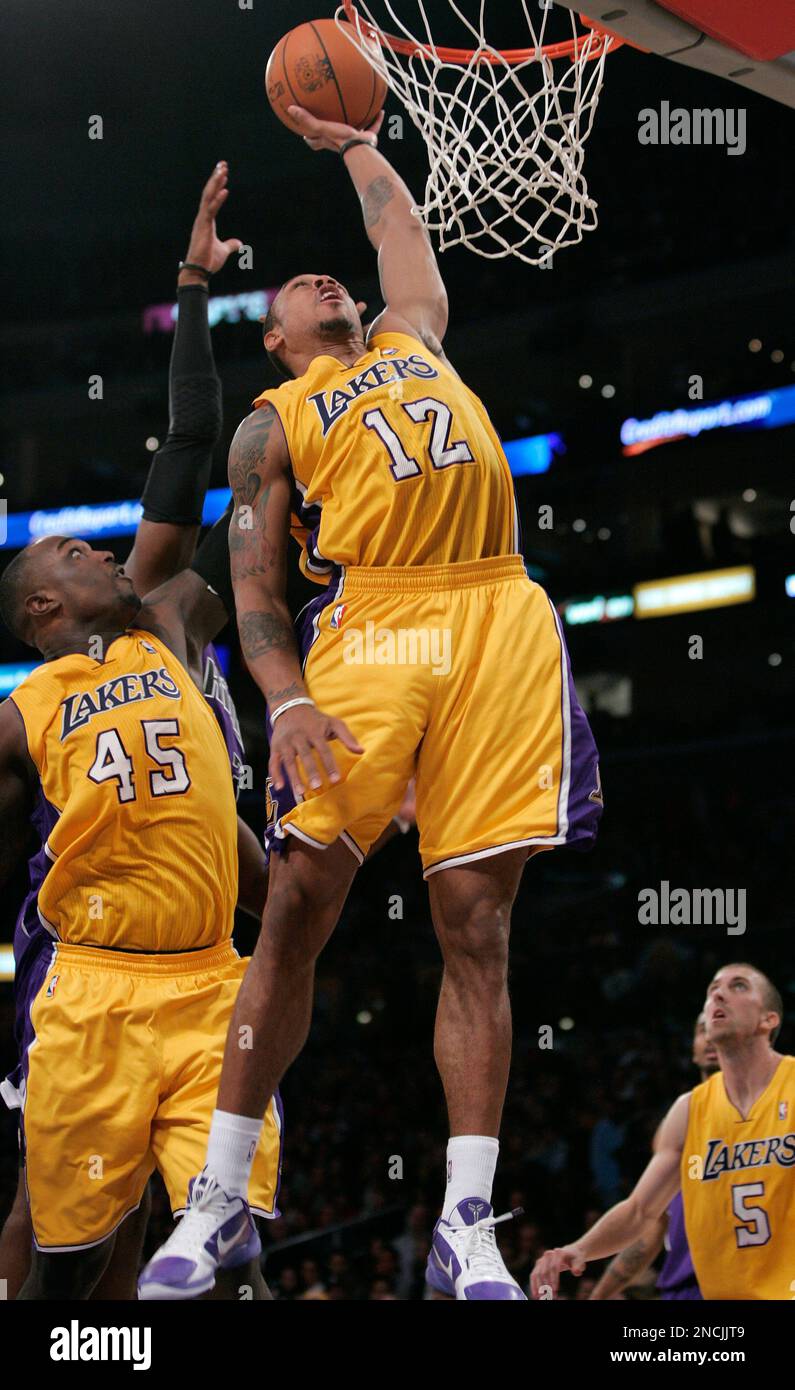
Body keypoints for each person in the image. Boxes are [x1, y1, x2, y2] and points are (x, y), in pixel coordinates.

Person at [140, 102, 602, 1302]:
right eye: (295, 286)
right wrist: (286, 703)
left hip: (499, 614)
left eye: (327, 276)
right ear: (276, 337)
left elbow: (399, 222)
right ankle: (221, 1198)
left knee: (478, 926)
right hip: (372, 626)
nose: (317, 278)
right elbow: (250, 591)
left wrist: (349, 139)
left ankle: (466, 1220)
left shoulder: (417, 337)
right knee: (296, 901)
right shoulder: (268, 426)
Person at [0, 167, 286, 1300]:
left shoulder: (167, 611)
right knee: (66, 1230)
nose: (109, 551)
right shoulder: (30, 705)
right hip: (80, 949)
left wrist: (194, 285)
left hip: (205, 962)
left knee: (227, 1250)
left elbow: (193, 439)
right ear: (40, 611)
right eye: (78, 554)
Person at [531, 963, 793, 1301]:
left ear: (768, 1020)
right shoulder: (688, 1110)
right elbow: (641, 1210)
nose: (718, 993)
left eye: (739, 986)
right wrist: (579, 1249)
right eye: (712, 988)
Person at [588, 1013, 719, 1301]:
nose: (710, 1037)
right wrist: (599, 1295)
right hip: (685, 1291)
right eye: (702, 1031)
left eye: (719, 1027)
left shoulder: (775, 1109)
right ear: (693, 1050)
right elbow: (650, 1224)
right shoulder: (677, 1124)